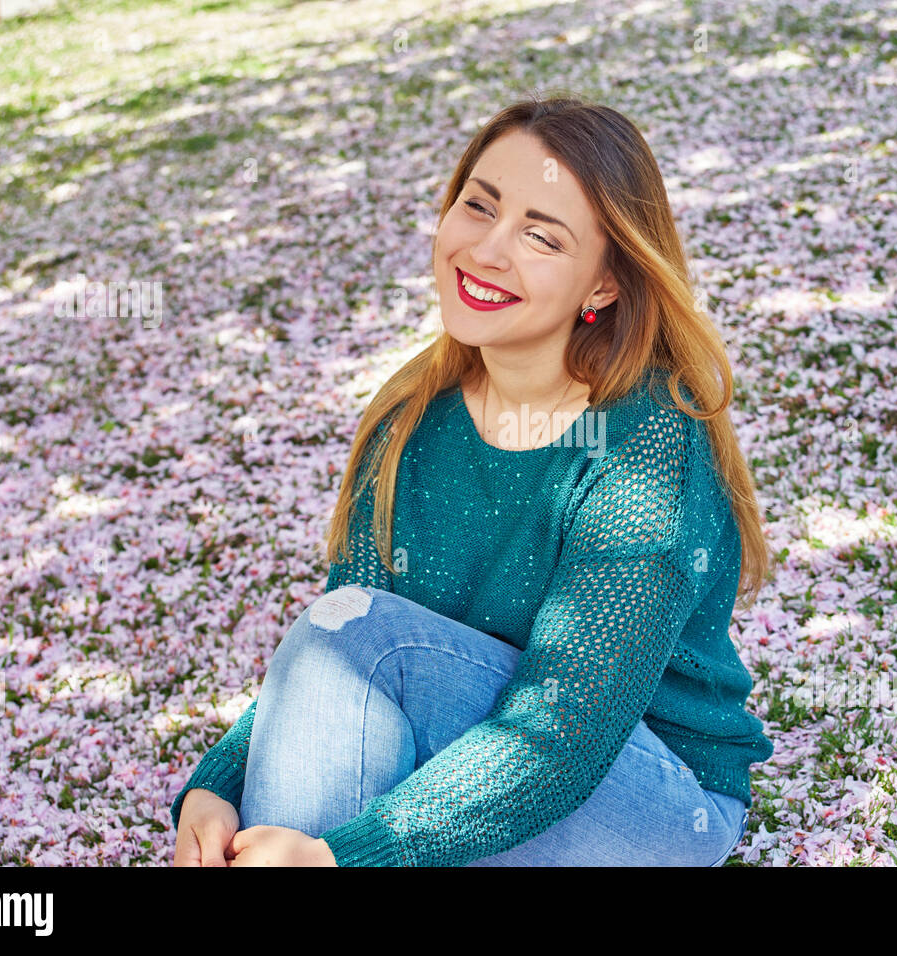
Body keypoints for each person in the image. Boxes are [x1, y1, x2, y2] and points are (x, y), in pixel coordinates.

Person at [169, 91, 777, 867]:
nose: (488, 250)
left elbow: (564, 733)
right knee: (350, 633)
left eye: (541, 237)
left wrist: (341, 858)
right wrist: (216, 783)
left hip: (642, 789)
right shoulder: (410, 420)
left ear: (604, 285)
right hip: (467, 756)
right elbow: (327, 655)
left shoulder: (644, 442)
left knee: (366, 639)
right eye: (478, 207)